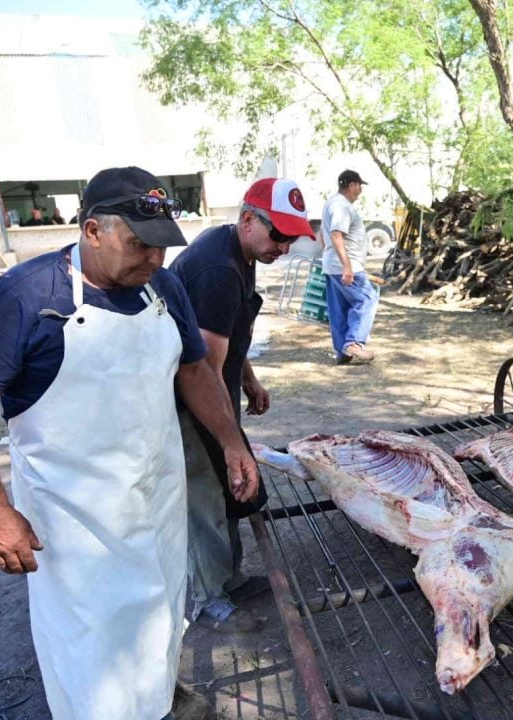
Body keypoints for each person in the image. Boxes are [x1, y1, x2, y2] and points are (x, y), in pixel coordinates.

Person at [0, 166, 259, 720]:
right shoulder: (21, 298)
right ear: (92, 231)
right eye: (140, 245)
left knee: (160, 610)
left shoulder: (161, 288)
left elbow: (194, 370)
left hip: (156, 495)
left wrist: (232, 443)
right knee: (91, 639)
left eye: (162, 247)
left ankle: (157, 701)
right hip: (73, 519)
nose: (155, 260)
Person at [171, 177, 312, 633]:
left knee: (231, 486)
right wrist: (230, 439)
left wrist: (248, 378)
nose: (285, 247)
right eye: (279, 235)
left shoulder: (239, 250)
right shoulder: (218, 270)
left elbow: (228, 336)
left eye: (292, 238)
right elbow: (204, 371)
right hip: (189, 401)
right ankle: (209, 597)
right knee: (207, 491)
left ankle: (228, 578)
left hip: (214, 390)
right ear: (249, 219)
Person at [321, 169, 378, 365]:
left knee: (340, 308)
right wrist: (347, 266)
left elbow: (324, 236)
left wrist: (330, 258)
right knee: (367, 298)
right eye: (360, 186)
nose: (360, 190)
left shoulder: (331, 203)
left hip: (333, 264)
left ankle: (343, 352)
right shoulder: (342, 206)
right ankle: (353, 342)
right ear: (352, 185)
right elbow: (336, 235)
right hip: (345, 265)